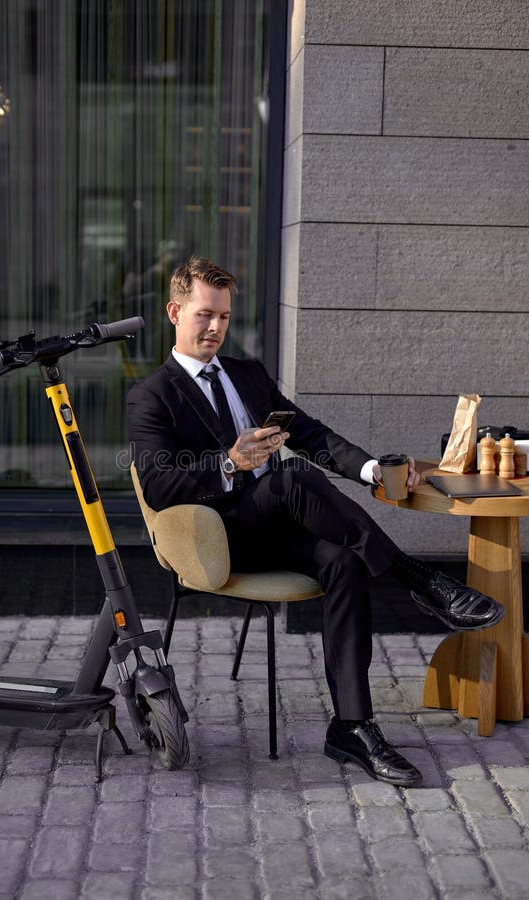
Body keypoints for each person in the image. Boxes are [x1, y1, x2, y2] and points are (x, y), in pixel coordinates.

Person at [127, 257, 504, 788]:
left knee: (343, 560)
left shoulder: (247, 374)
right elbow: (160, 484)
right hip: (215, 537)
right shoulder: (152, 395)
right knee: (289, 480)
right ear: (175, 311)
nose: (215, 327)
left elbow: (311, 435)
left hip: (275, 525)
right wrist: (231, 462)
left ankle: (353, 725)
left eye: (225, 317)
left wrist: (373, 470)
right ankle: (420, 579)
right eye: (204, 315)